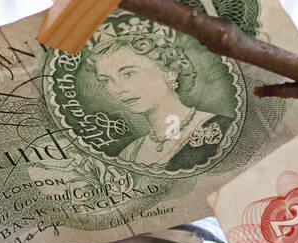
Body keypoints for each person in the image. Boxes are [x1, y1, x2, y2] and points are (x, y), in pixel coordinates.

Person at [86, 18, 233, 171]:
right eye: (106, 80)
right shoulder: (129, 154)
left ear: (170, 73)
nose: (118, 89)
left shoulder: (224, 129)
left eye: (128, 74)